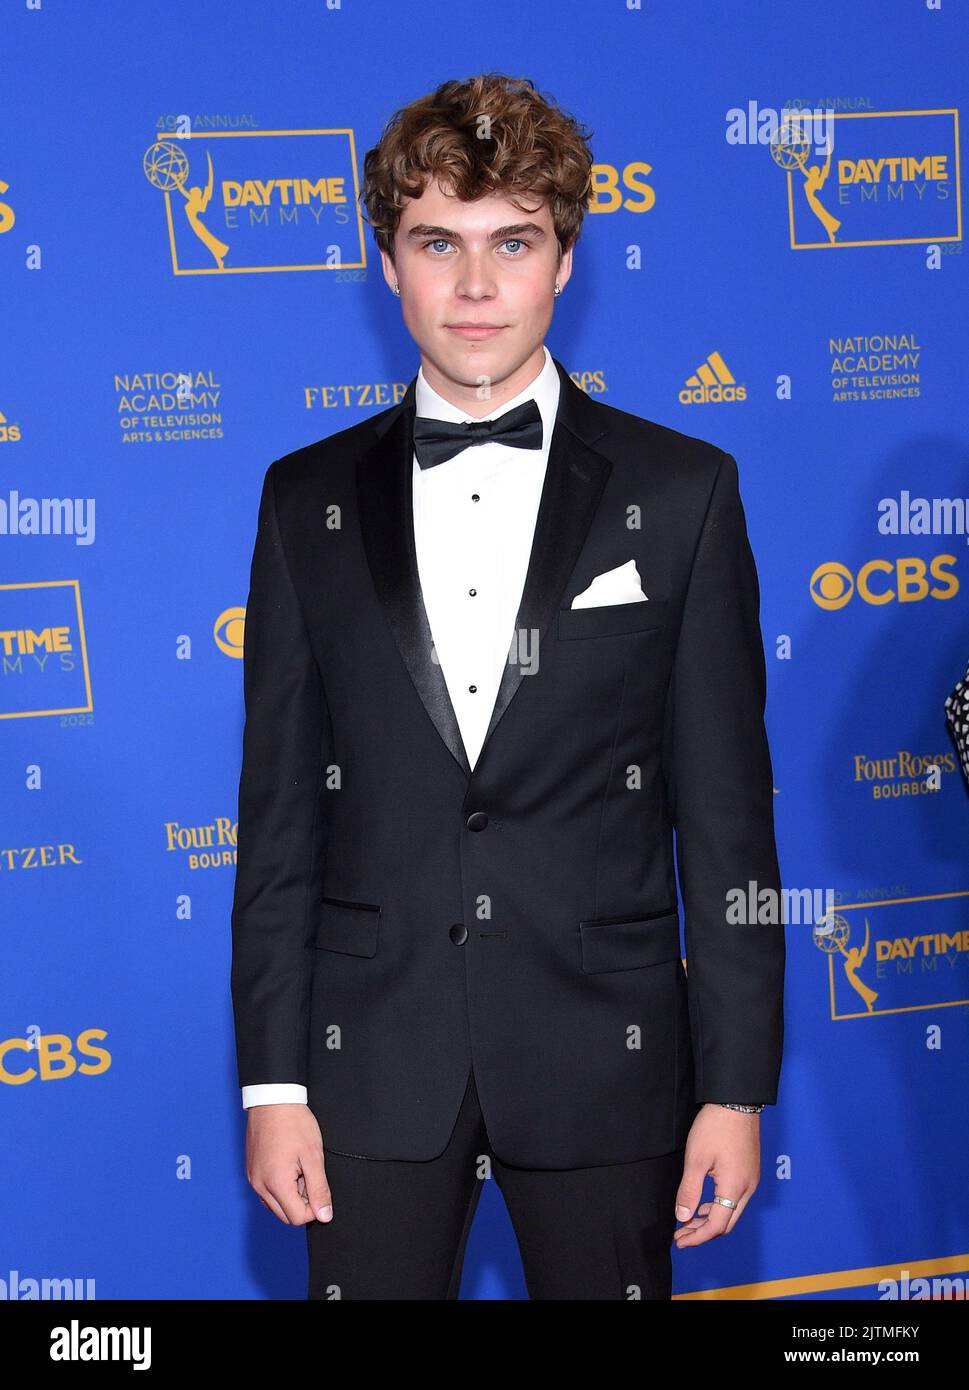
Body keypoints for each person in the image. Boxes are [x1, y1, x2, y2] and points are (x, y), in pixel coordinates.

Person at [229, 72, 785, 1301]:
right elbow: (276, 818)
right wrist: (273, 1083)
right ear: (388, 264)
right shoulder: (301, 500)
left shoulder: (685, 491)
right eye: (439, 243)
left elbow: (732, 822)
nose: (475, 288)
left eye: (512, 244)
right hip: (368, 1061)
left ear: (566, 259)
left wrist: (735, 1086)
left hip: (608, 1056)